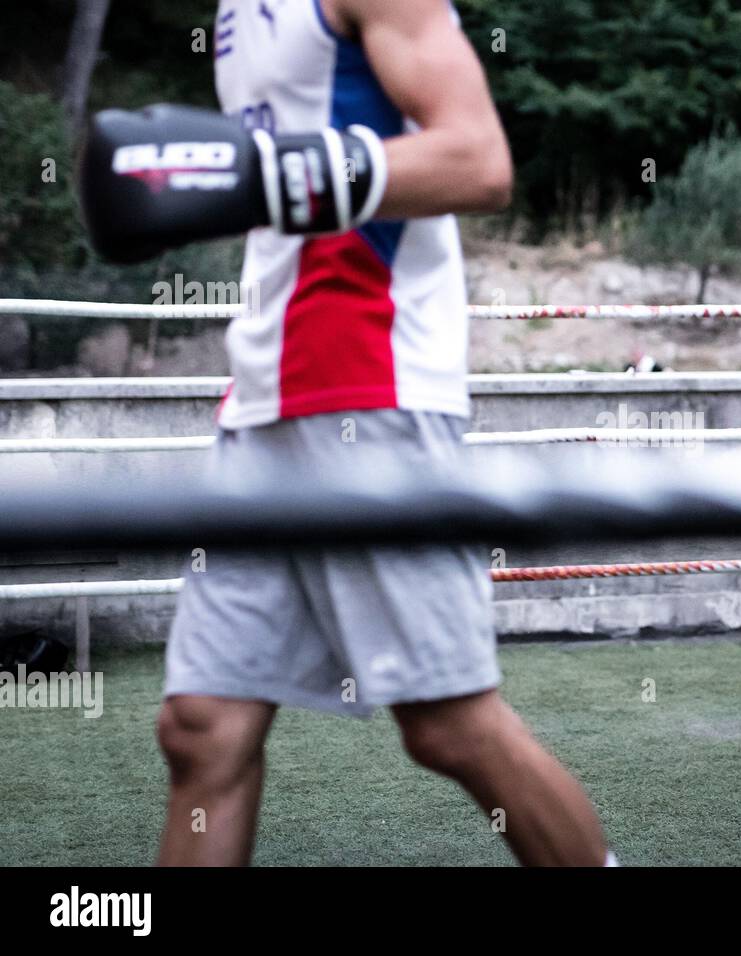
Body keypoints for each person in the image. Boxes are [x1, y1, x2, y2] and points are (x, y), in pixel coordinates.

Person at [79, 0, 613, 865]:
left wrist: (257, 175)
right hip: (260, 398)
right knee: (201, 728)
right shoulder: (230, 11)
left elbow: (478, 160)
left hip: (373, 387)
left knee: (447, 726)